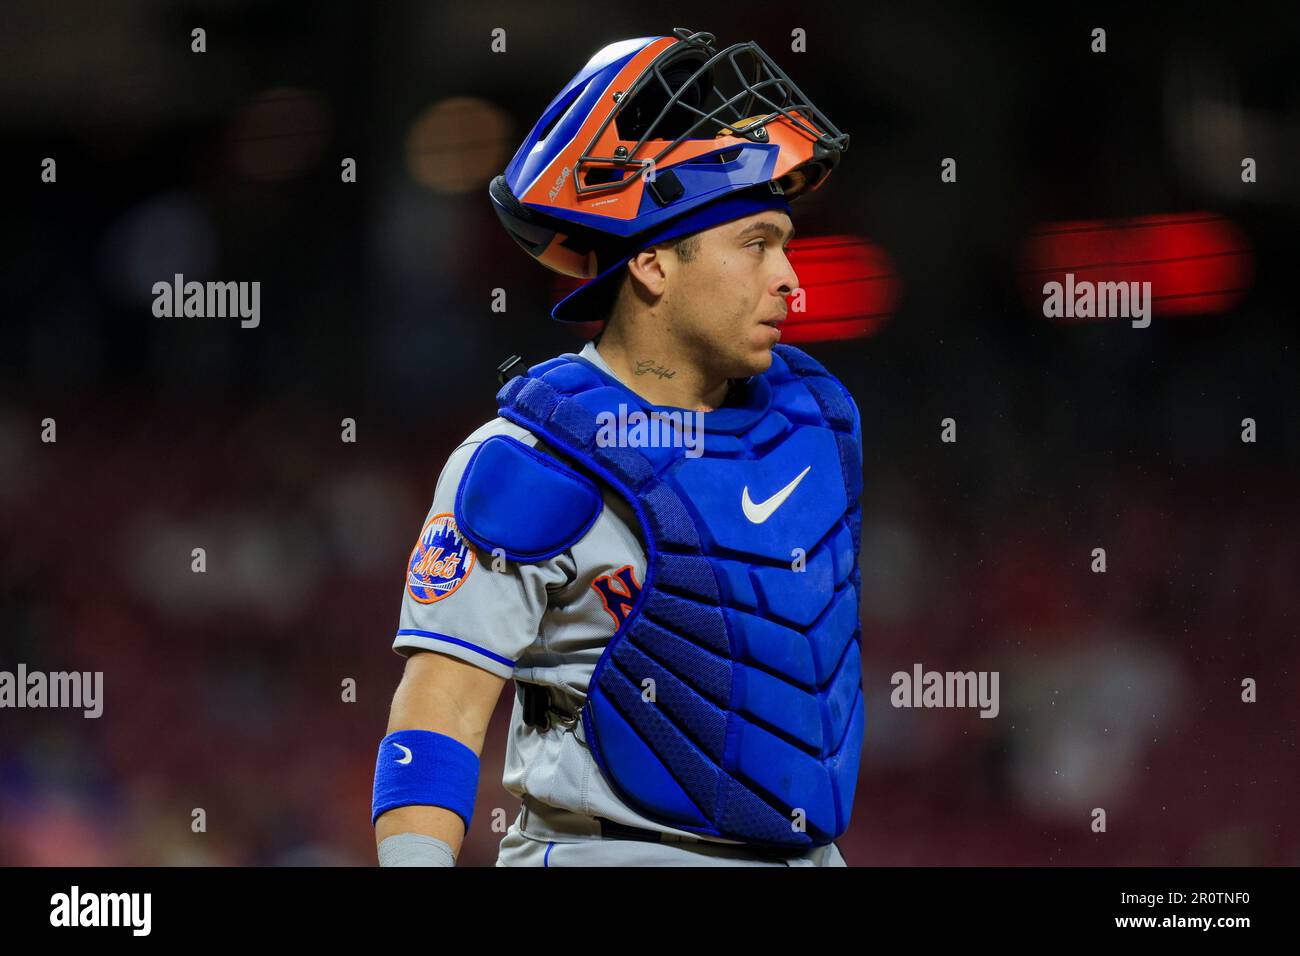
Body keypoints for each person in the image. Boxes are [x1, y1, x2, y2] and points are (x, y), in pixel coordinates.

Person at [373, 27, 864, 866]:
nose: (790, 277)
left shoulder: (814, 429)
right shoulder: (530, 462)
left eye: (784, 243)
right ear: (653, 265)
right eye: (756, 245)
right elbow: (438, 716)